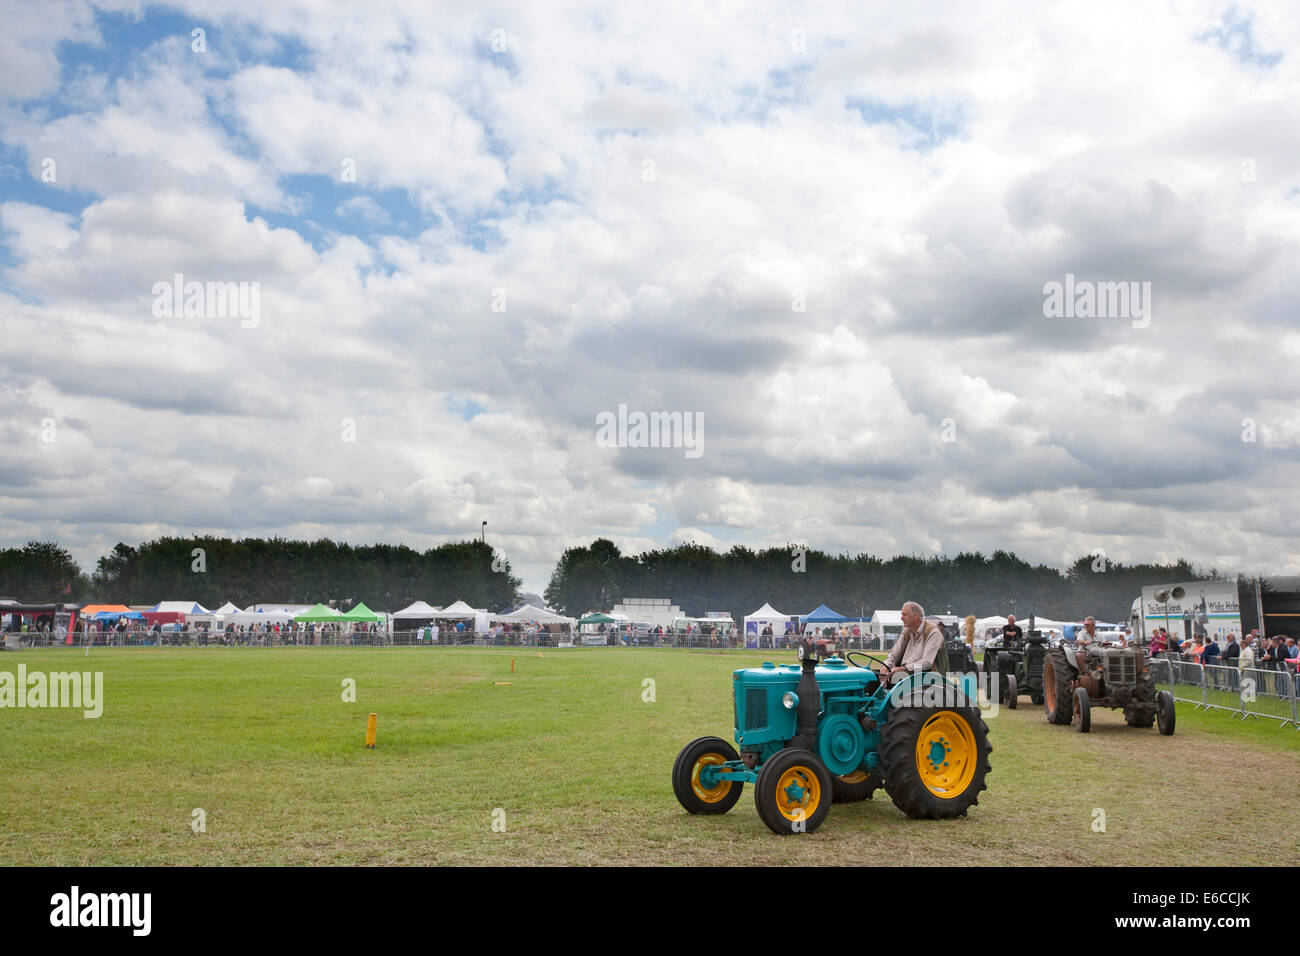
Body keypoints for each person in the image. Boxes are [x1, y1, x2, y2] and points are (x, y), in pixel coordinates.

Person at [877, 602, 945, 687]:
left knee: (898, 676)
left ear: (915, 617)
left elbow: (927, 663)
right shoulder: (906, 632)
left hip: (926, 674)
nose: (901, 618)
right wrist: (885, 667)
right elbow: (893, 655)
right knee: (873, 676)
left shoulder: (933, 632)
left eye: (905, 615)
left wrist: (904, 668)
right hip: (906, 672)